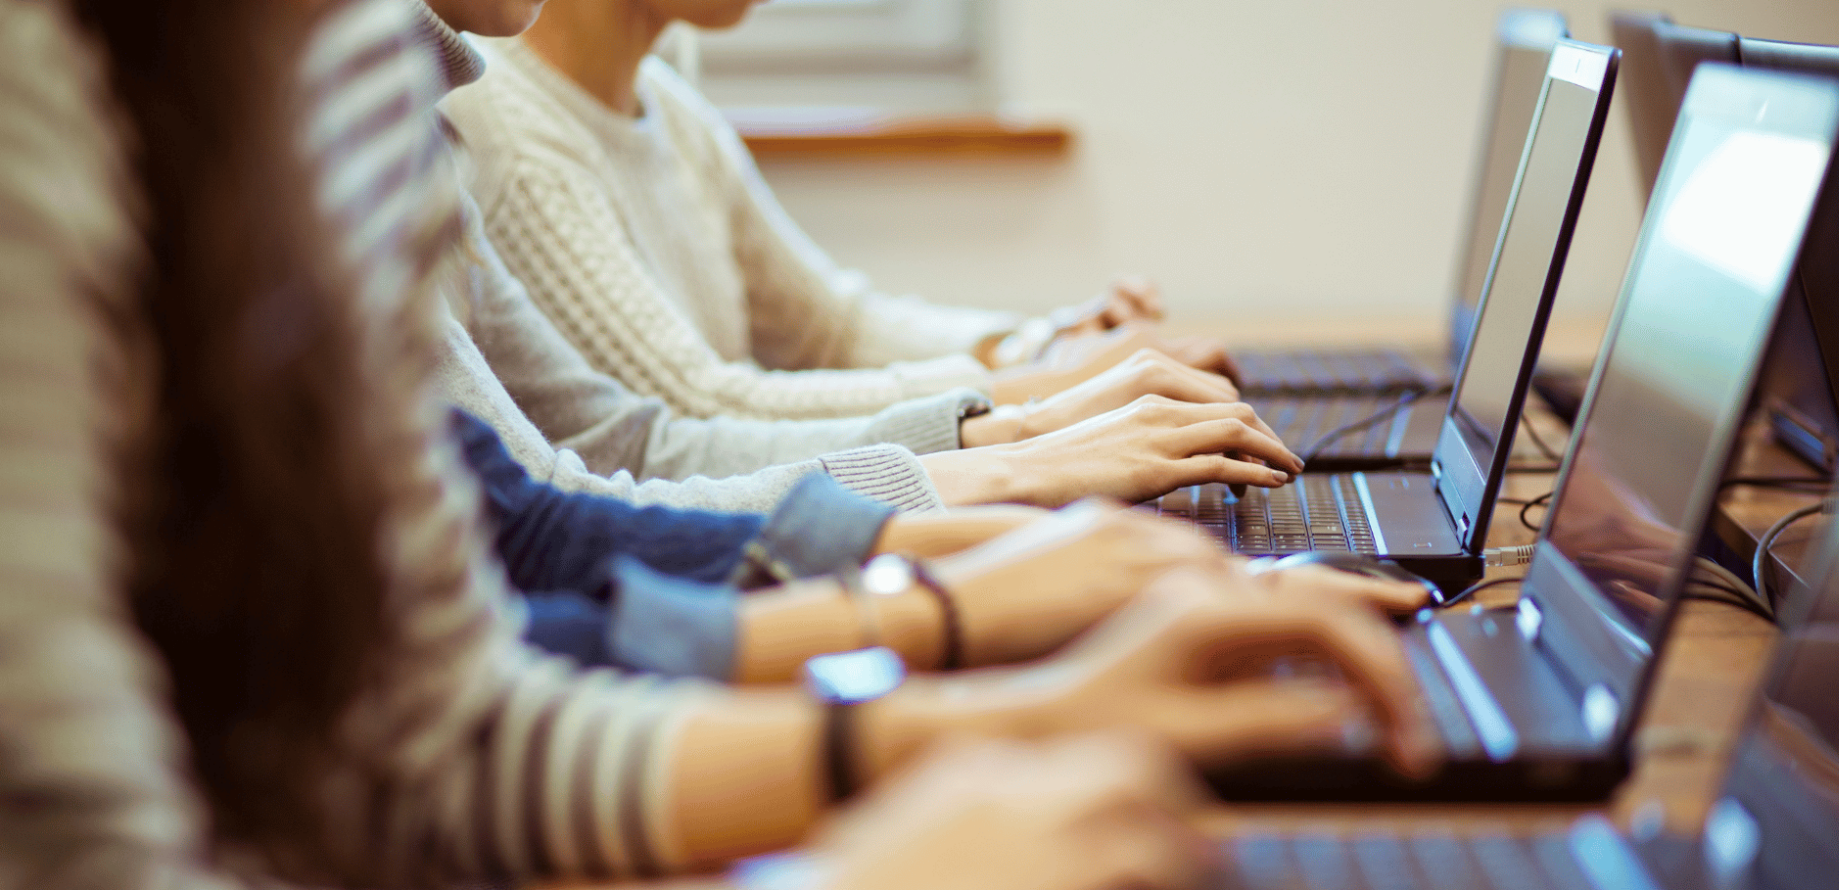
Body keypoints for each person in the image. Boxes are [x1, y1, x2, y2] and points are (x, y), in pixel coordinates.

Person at [2, 3, 1442, 889]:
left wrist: (980, 699)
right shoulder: (43, 98)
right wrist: (978, 519)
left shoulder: (366, 78)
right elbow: (599, 472)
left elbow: (440, 726)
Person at [418, 0, 1289, 516]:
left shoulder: (666, 106)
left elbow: (831, 324)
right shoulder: (501, 136)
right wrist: (1036, 409)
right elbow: (685, 416)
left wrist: (1032, 347)